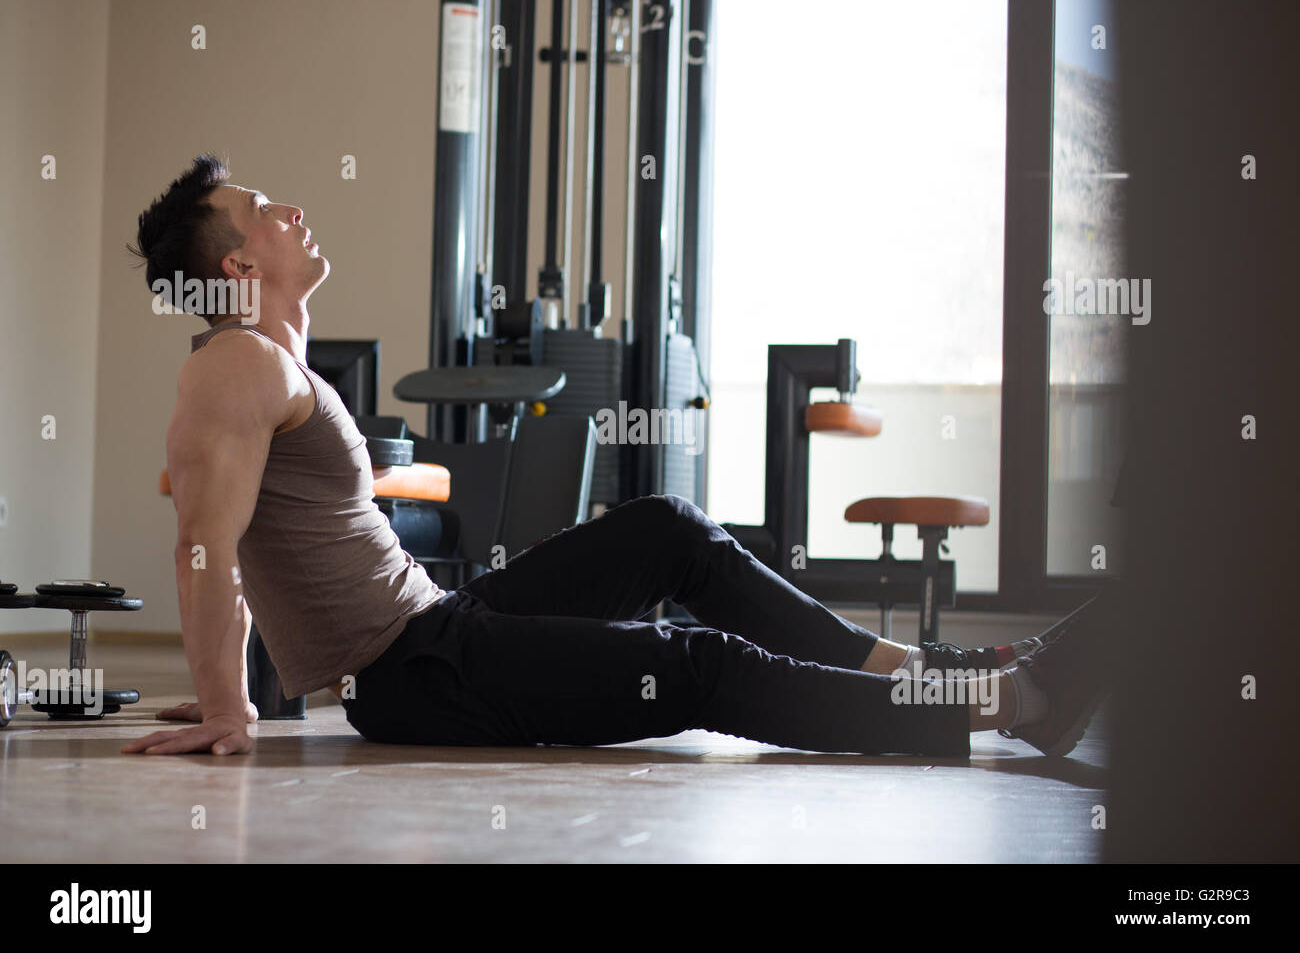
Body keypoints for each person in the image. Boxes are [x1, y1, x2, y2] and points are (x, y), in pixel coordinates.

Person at [122, 155, 1114, 761]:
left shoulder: (263, 359)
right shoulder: (236, 364)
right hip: (413, 671)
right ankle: (1001, 700)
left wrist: (235, 687)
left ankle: (929, 671)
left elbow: (241, 548)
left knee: (670, 533)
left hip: (436, 627)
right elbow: (203, 543)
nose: (292, 208)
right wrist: (224, 702)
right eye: (264, 208)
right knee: (693, 667)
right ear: (240, 268)